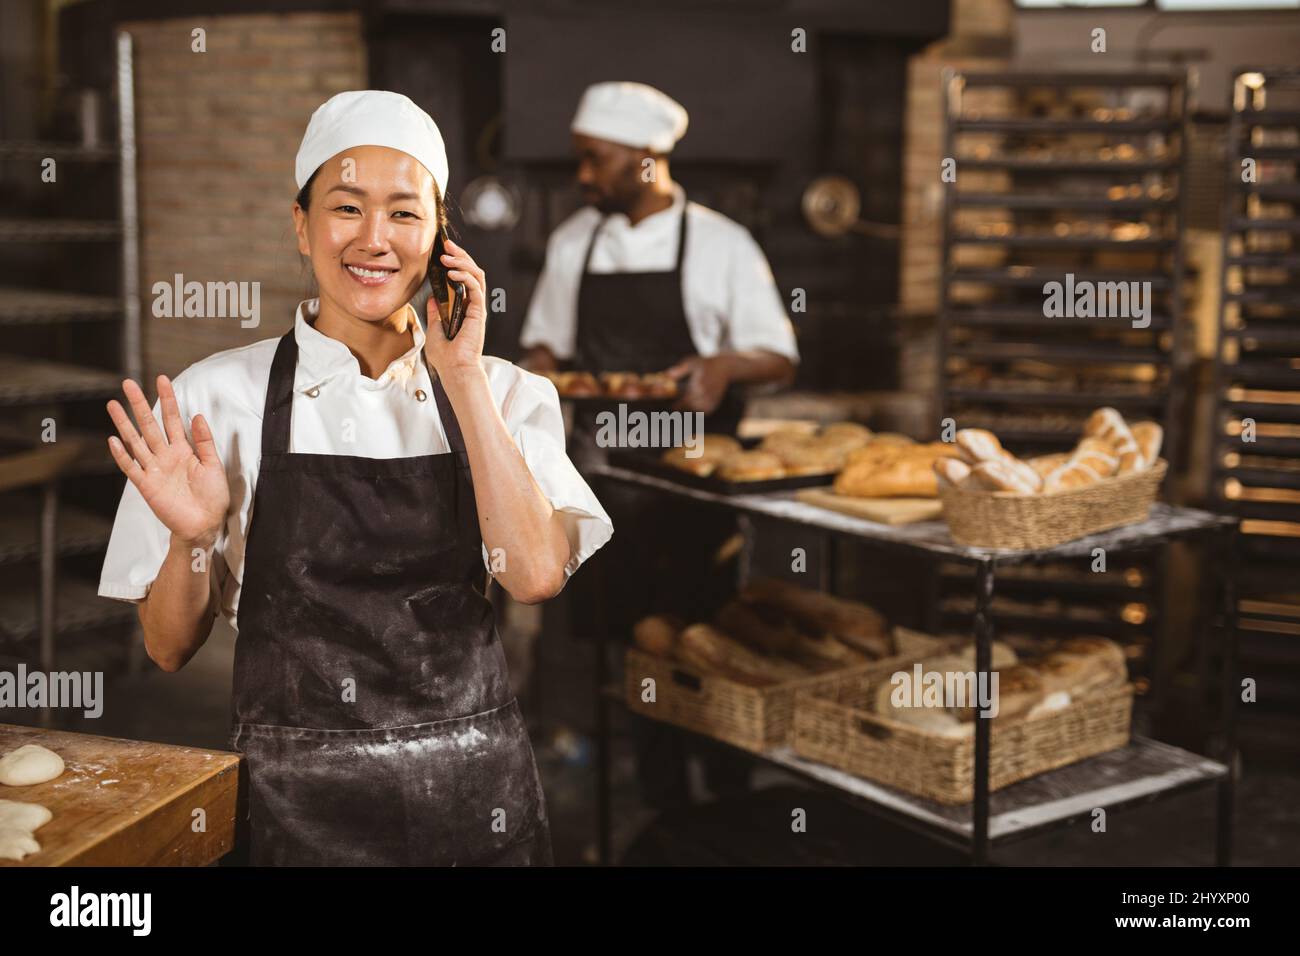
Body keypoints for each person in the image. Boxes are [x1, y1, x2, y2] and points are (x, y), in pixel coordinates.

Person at [96, 90, 613, 866]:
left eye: (405, 213)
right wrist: (192, 536)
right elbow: (169, 647)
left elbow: (535, 575)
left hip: (475, 798)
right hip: (291, 803)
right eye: (346, 207)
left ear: (439, 236)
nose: (375, 239)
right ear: (301, 225)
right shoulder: (213, 398)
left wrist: (463, 378)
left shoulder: (505, 392)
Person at [519, 82, 800, 808]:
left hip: (692, 489)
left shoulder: (721, 242)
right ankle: (662, 800)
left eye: (595, 159)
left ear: (646, 158)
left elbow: (777, 354)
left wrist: (724, 366)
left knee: (707, 641)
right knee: (628, 647)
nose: (582, 176)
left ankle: (730, 795)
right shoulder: (573, 241)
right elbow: (546, 345)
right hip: (602, 482)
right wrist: (541, 371)